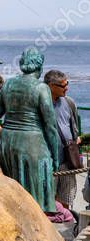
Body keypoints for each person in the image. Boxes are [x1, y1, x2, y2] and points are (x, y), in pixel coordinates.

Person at [0, 49, 59, 213]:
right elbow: (50, 126)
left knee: (14, 194)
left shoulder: (8, 84)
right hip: (31, 145)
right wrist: (55, 157)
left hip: (7, 143)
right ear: (39, 67)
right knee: (35, 198)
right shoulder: (41, 88)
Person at [44, 69, 81, 212]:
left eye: (67, 84)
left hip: (68, 159)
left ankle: (66, 221)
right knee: (49, 197)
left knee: (66, 197)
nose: (67, 88)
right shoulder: (41, 104)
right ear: (51, 86)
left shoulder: (68, 102)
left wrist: (75, 138)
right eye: (63, 85)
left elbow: (73, 126)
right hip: (49, 160)